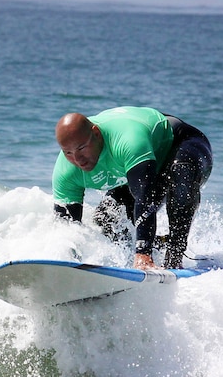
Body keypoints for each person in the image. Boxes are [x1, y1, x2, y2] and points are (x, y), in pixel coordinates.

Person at [52, 106, 213, 270]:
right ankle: (156, 246)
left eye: (81, 148)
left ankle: (174, 257)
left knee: (181, 176)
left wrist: (143, 253)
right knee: (107, 218)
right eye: (68, 153)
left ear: (96, 134)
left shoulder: (128, 140)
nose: (78, 159)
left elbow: (145, 198)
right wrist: (68, 266)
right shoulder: (65, 173)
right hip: (143, 166)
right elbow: (67, 228)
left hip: (181, 143)